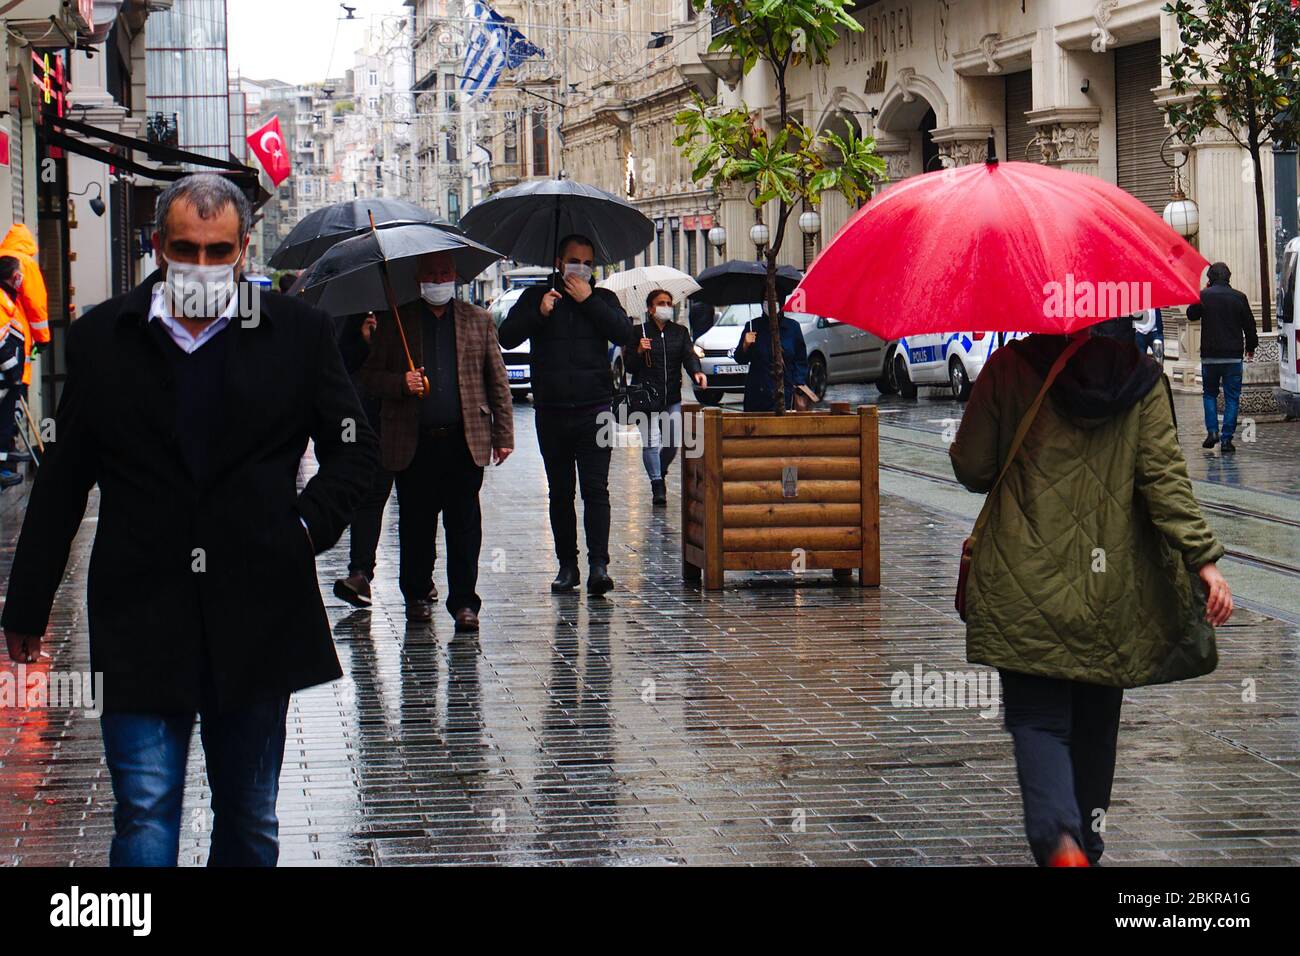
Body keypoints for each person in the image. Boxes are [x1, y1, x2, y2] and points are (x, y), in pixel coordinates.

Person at [1, 173, 378, 866]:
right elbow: (62, 481)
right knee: (144, 822)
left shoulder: (297, 335)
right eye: (184, 248)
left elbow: (356, 453)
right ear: (157, 247)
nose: (199, 265)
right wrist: (26, 605)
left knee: (249, 821)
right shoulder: (104, 340)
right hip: (141, 616)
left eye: (216, 250)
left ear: (241, 253)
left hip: (259, 615)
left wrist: (302, 529)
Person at [950, 326, 1233, 867]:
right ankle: (1087, 846)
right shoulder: (1142, 379)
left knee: (1038, 721)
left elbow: (973, 468)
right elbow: (1165, 481)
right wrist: (1205, 560)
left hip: (1024, 582)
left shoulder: (1009, 367)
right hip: (1110, 591)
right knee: (1097, 727)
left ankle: (1060, 843)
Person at [360, 250, 513, 629]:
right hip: (415, 442)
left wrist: (503, 434)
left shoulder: (477, 321)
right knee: (416, 525)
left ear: (455, 277)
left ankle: (464, 603)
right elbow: (370, 378)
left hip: (464, 441)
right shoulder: (397, 322)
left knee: (464, 526)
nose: (439, 280)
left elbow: (497, 381)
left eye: (445, 273)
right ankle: (416, 595)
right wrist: (400, 383)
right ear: (418, 280)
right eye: (432, 274)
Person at [499, 234, 633, 594]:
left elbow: (624, 332)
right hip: (552, 409)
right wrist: (538, 312)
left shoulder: (603, 297)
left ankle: (599, 565)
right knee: (560, 492)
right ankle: (567, 565)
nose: (582, 268)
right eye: (575, 261)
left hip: (595, 408)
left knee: (596, 490)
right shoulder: (538, 297)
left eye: (588, 263)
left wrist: (589, 302)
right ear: (560, 262)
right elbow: (506, 336)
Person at [333, 312, 399, 609]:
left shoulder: (406, 310)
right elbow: (337, 365)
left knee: (418, 506)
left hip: (408, 417)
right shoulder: (348, 316)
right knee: (371, 497)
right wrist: (362, 340)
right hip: (366, 422)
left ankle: (421, 580)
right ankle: (360, 573)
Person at [623, 289, 707, 505]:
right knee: (651, 442)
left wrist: (696, 371)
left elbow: (688, 355)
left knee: (671, 442)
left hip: (671, 396)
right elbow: (630, 366)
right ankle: (657, 484)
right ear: (650, 308)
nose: (666, 307)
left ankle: (660, 470)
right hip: (646, 397)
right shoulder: (637, 332)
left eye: (669, 303)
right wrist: (639, 351)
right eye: (661, 303)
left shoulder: (679, 331)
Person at [1186, 262, 1258, 455]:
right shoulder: (1239, 297)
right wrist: (1250, 347)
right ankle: (1226, 440)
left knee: (1209, 394)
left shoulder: (1204, 296)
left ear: (1209, 279)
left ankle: (1212, 431)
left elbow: (1191, 314)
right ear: (1229, 277)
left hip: (1210, 356)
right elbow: (1250, 326)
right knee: (1232, 398)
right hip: (1233, 357)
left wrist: (1200, 293)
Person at [0, 225, 48, 483]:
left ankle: (7, 455)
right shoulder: (25, 263)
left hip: (8, 337)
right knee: (12, 398)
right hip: (17, 338)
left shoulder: (3, 256)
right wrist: (44, 338)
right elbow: (36, 302)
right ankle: (6, 457)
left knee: (8, 402)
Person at [732, 308, 809, 412]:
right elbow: (740, 359)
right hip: (758, 395)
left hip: (785, 393)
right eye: (765, 298)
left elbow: (801, 360)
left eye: (775, 298)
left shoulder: (792, 327)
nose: (770, 302)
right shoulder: (752, 326)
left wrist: (797, 383)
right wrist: (745, 345)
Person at [0, 257, 28, 488]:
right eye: (20, 273)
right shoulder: (2, 300)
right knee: (3, 423)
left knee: (8, 421)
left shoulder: (9, 300)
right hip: (4, 379)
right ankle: (2, 470)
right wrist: (12, 375)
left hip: (8, 379)